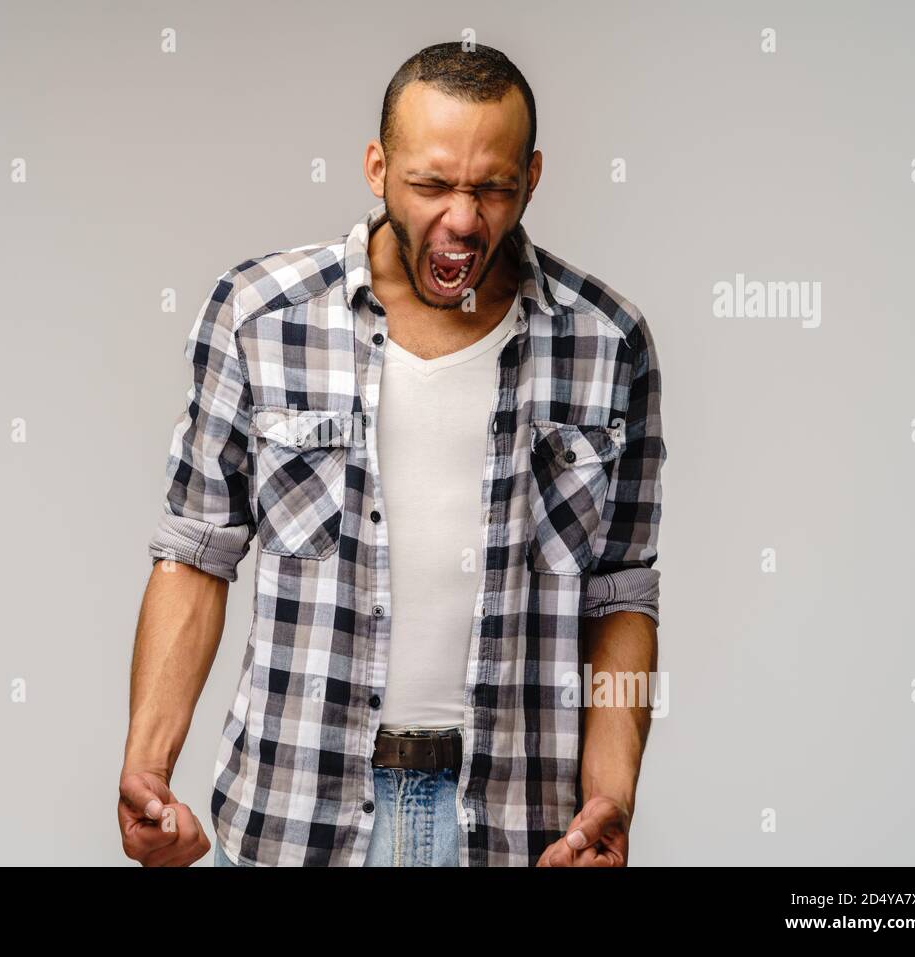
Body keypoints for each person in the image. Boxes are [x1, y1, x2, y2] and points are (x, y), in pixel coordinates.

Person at [119, 41, 667, 867]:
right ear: (378, 167)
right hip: (298, 814)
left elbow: (622, 594)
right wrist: (149, 769)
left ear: (533, 176)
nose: (463, 217)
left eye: (493, 187)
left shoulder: (606, 340)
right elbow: (195, 553)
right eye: (433, 184)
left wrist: (611, 797)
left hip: (520, 831)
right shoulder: (262, 316)